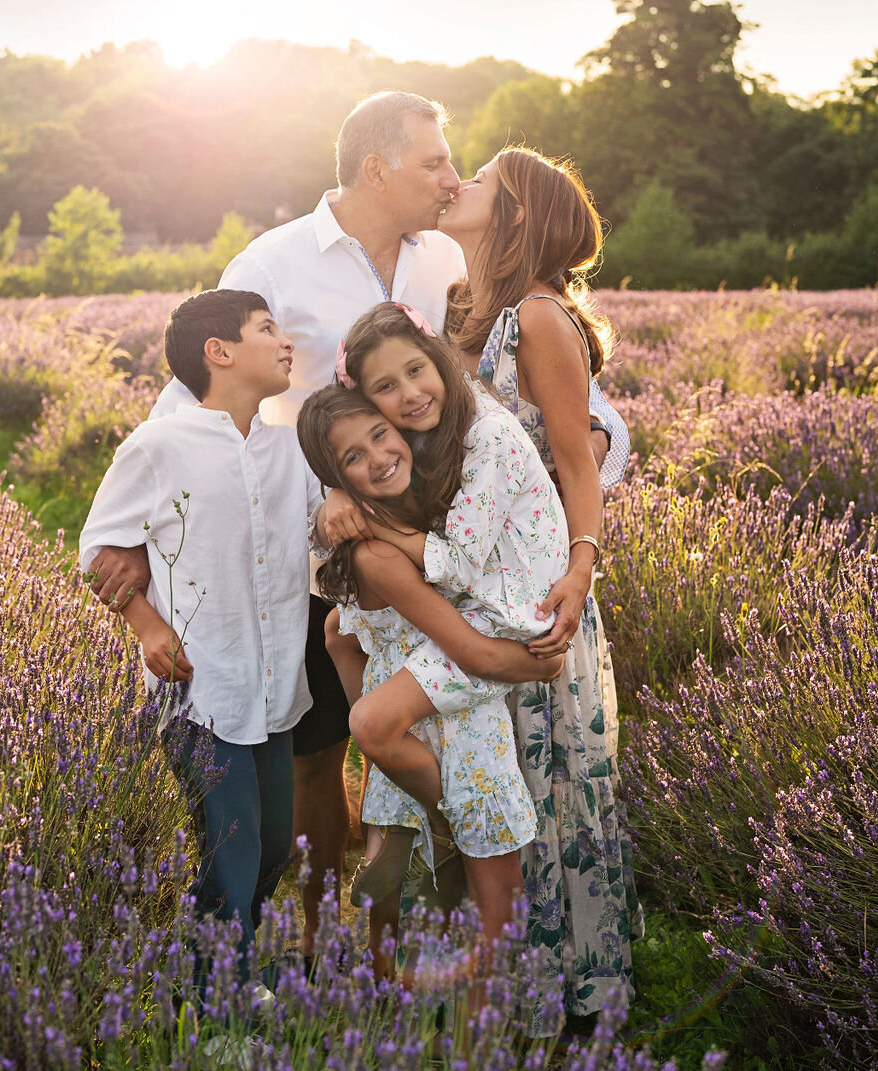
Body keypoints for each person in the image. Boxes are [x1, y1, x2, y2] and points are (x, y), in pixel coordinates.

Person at [85, 91, 466, 960]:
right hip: (309, 546)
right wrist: (138, 545)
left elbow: (492, 357)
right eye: (435, 161)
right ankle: (308, 925)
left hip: (431, 542)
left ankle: (423, 924)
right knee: (315, 747)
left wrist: (600, 428)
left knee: (432, 723)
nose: (452, 176)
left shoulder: (443, 254)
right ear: (377, 168)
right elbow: (193, 396)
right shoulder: (276, 259)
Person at [441, 147, 645, 1020]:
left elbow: (578, 459)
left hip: (532, 592)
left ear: (514, 214)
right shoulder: (470, 307)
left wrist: (579, 569)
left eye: (479, 181)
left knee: (536, 778)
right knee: (482, 776)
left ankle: (546, 987)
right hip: (466, 583)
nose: (460, 187)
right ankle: (482, 973)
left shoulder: (538, 319)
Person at [78, 290, 322, 989]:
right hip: (200, 690)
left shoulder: (288, 446)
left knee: (275, 841)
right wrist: (147, 627)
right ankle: (219, 1004)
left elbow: (319, 527)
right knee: (232, 853)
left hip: (275, 686)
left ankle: (219, 964)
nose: (285, 341)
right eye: (266, 329)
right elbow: (99, 549)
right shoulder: (158, 447)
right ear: (219, 353)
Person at [298, 373, 569, 974]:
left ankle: (405, 1007)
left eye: (380, 435)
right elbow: (466, 648)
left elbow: (338, 637)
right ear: (336, 478)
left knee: (401, 898)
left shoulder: (402, 534)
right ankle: (443, 834)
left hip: (404, 739)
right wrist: (534, 663)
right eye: (354, 457)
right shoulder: (395, 546)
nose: (379, 455)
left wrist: (374, 741)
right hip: (455, 728)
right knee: (461, 895)